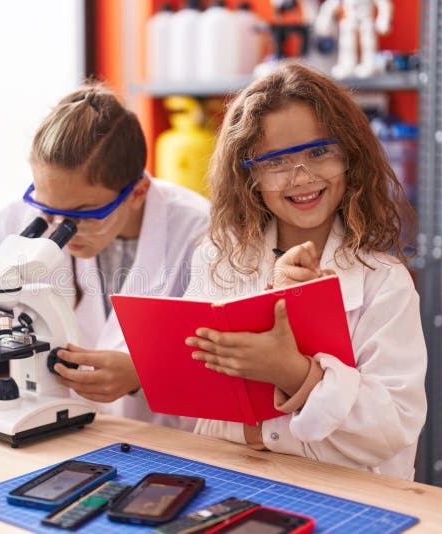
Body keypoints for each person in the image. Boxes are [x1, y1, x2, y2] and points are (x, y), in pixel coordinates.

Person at [183, 62, 427, 479]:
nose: (302, 177)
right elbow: (197, 397)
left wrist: (294, 373)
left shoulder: (384, 282)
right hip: (233, 479)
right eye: (276, 161)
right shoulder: (217, 258)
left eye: (318, 152)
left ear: (350, 156)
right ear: (250, 175)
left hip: (349, 501)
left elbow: (392, 427)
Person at [0, 82, 209, 430]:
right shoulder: (31, 216)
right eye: (48, 209)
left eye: (84, 213)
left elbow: (221, 367)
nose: (60, 227)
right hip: (65, 429)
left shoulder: (199, 231)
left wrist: (142, 379)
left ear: (137, 192)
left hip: (163, 438)